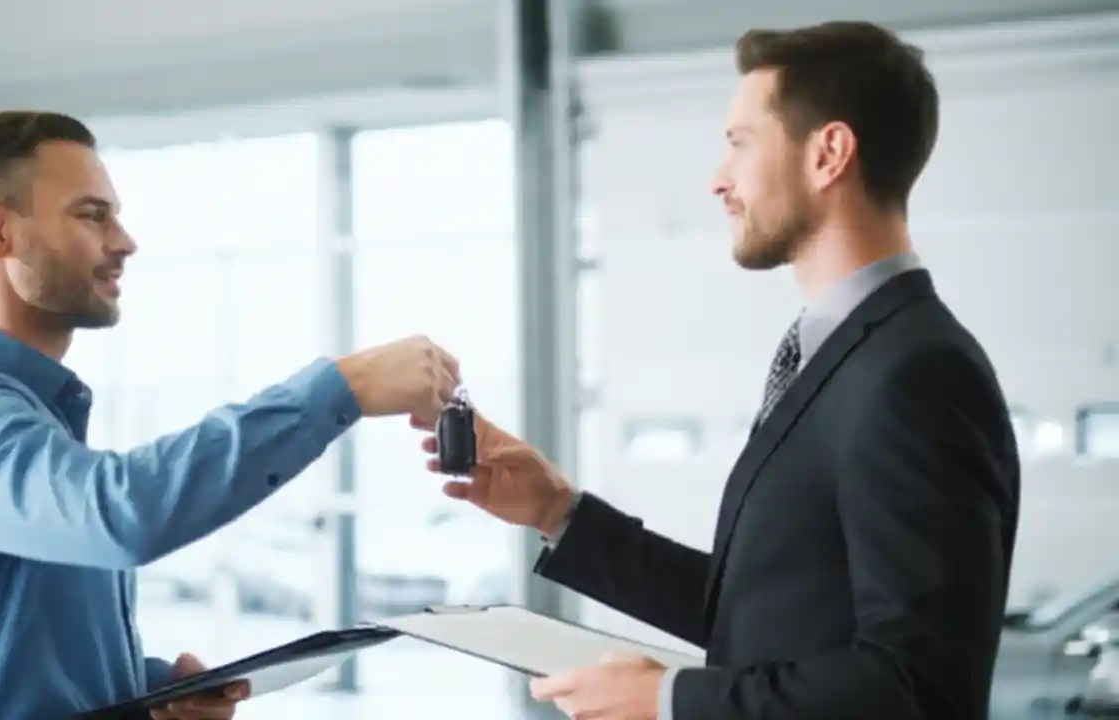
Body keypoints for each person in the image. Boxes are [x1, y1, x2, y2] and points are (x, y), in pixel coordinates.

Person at [418, 20, 1020, 720]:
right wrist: (560, 512)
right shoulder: (839, 353)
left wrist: (669, 698)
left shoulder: (916, 373)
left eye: (740, 143)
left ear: (828, 154)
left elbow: (917, 687)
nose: (718, 180)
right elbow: (764, 615)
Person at [0, 110, 462, 720]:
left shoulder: (30, 420)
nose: (124, 241)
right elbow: (121, 514)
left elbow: (17, 664)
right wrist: (342, 388)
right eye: (92, 214)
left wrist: (150, 692)